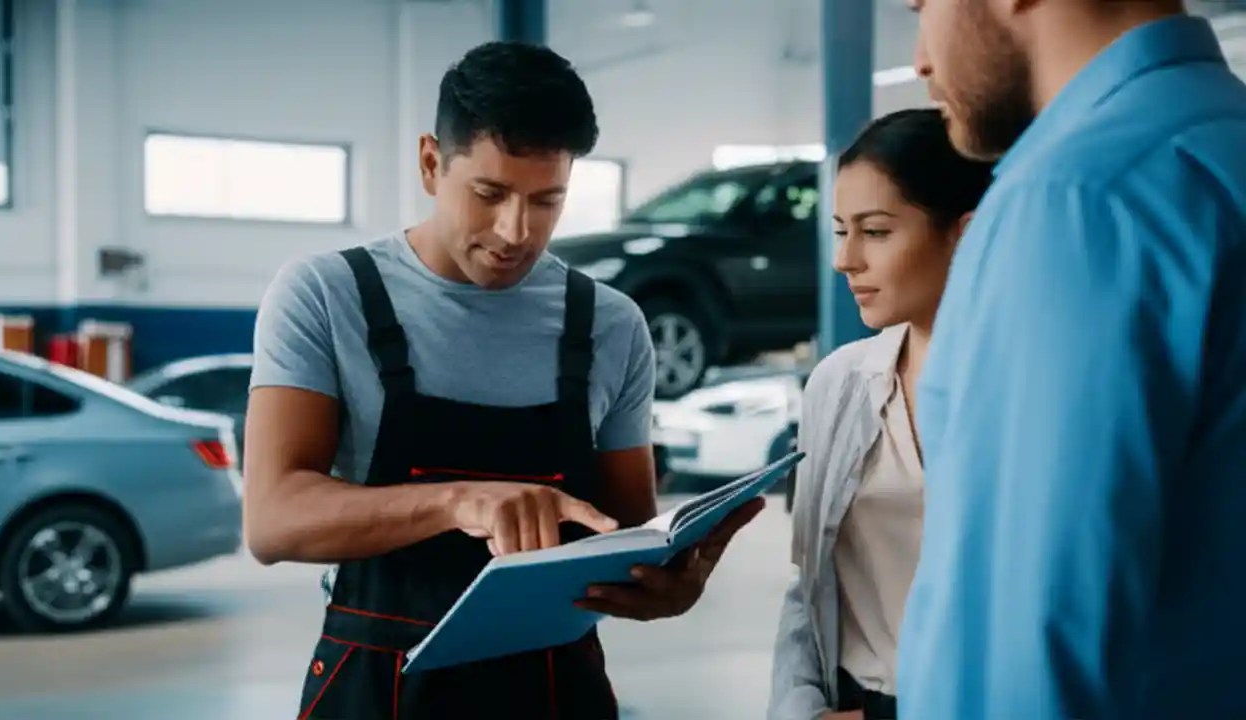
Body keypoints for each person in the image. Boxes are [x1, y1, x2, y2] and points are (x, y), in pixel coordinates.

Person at [243, 41, 763, 720]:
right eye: (489, 194)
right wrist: (462, 503)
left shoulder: (610, 326)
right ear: (432, 163)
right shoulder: (325, 295)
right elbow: (274, 519)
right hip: (377, 691)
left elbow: (626, 531)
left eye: (548, 201)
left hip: (555, 693)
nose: (516, 231)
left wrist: (669, 584)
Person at [898, 1, 1246, 718]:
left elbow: (1026, 646)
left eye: (921, 5)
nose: (920, 59)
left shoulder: (1077, 198)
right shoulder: (1221, 142)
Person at [766, 109, 993, 720]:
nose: (846, 260)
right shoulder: (838, 385)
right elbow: (810, 590)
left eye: (875, 231)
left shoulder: (1026, 397)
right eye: (840, 230)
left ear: (965, 234)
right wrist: (798, 710)